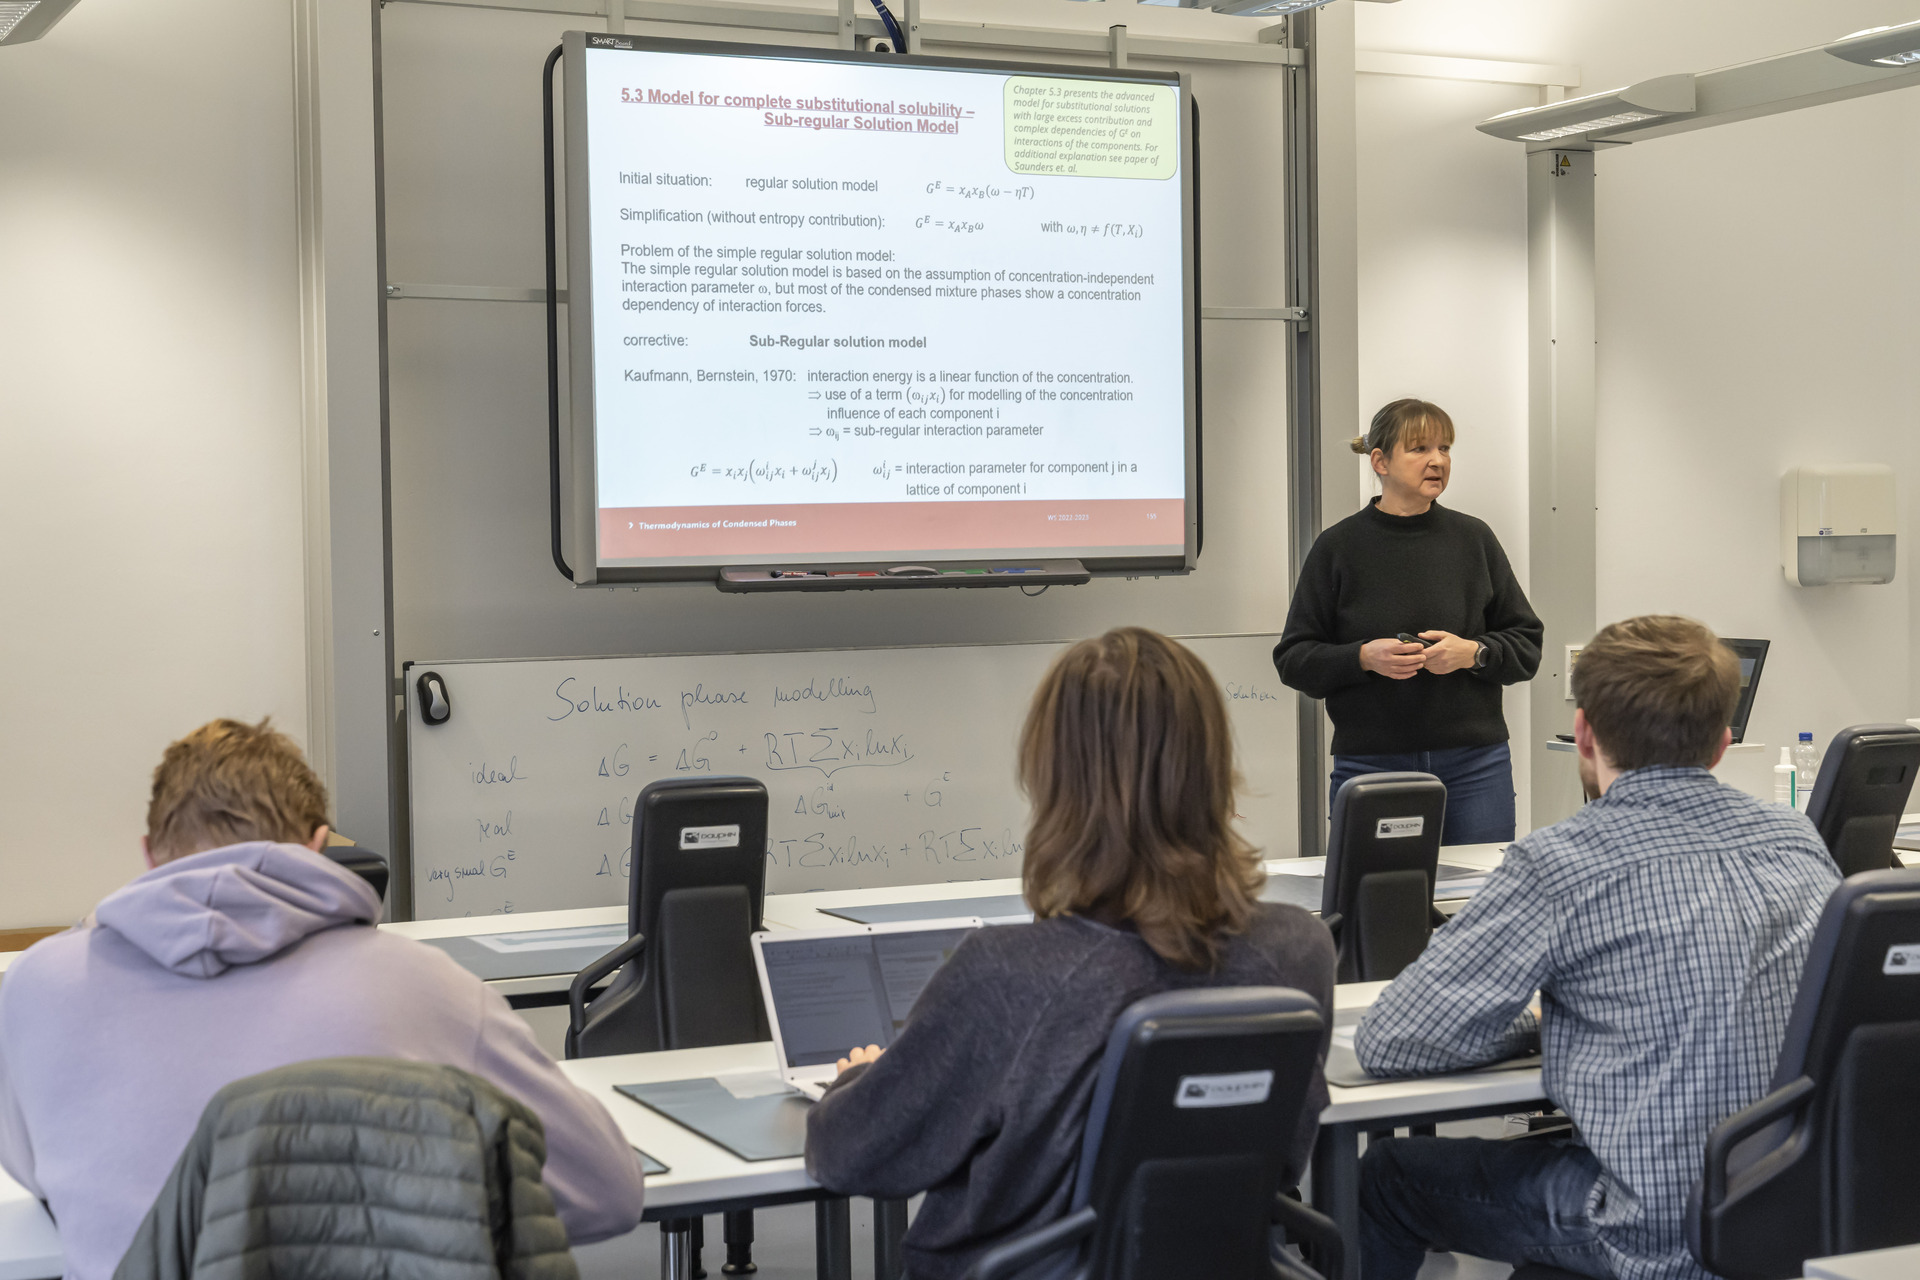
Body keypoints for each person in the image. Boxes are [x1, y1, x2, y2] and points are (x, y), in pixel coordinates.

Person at [0, 719, 645, 1280]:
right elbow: (607, 1193)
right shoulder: (427, 986)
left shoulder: (37, 985)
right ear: (319, 846)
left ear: (149, 856)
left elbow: (36, 1172)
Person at [805, 627, 1336, 1280]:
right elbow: (1279, 1157)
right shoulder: (1298, 951)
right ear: (1211, 766)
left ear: (1055, 779)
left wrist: (860, 1079)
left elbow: (851, 1155)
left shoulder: (1005, 973)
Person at [1353, 616, 1841, 1280]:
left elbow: (1394, 1041)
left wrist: (1538, 1027)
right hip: (1791, 1213)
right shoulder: (1795, 839)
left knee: (1388, 1175)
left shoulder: (1561, 862)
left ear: (1582, 732)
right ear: (1723, 743)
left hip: (1653, 1232)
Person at [1274, 398, 1542, 844]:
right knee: (1375, 887)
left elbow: (1527, 645)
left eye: (1445, 448)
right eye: (1420, 449)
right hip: (1373, 765)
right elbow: (1294, 659)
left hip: (1475, 765)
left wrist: (1474, 653)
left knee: (1478, 886)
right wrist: (1363, 657)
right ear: (1380, 461)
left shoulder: (1474, 538)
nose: (1438, 461)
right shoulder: (1338, 547)